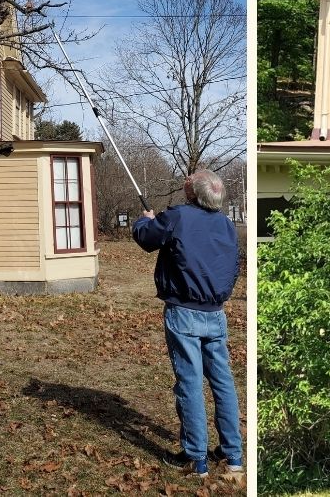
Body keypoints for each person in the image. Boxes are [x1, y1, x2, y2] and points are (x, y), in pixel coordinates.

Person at [133, 169, 243, 478]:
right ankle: (233, 454)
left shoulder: (178, 216)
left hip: (184, 313)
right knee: (223, 382)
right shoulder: (226, 225)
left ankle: (196, 458)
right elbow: (234, 266)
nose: (187, 180)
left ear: (193, 192)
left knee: (191, 382)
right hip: (215, 313)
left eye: (190, 180)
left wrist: (145, 220)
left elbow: (145, 238)